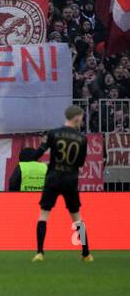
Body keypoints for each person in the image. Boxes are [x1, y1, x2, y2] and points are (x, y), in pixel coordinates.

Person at [30, 105, 92, 263]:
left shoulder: (53, 133)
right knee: (77, 217)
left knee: (44, 214)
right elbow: (80, 163)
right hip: (70, 179)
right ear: (77, 117)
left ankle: (39, 252)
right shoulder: (82, 139)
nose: (82, 120)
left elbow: (39, 152)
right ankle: (86, 253)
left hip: (53, 178)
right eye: (82, 117)